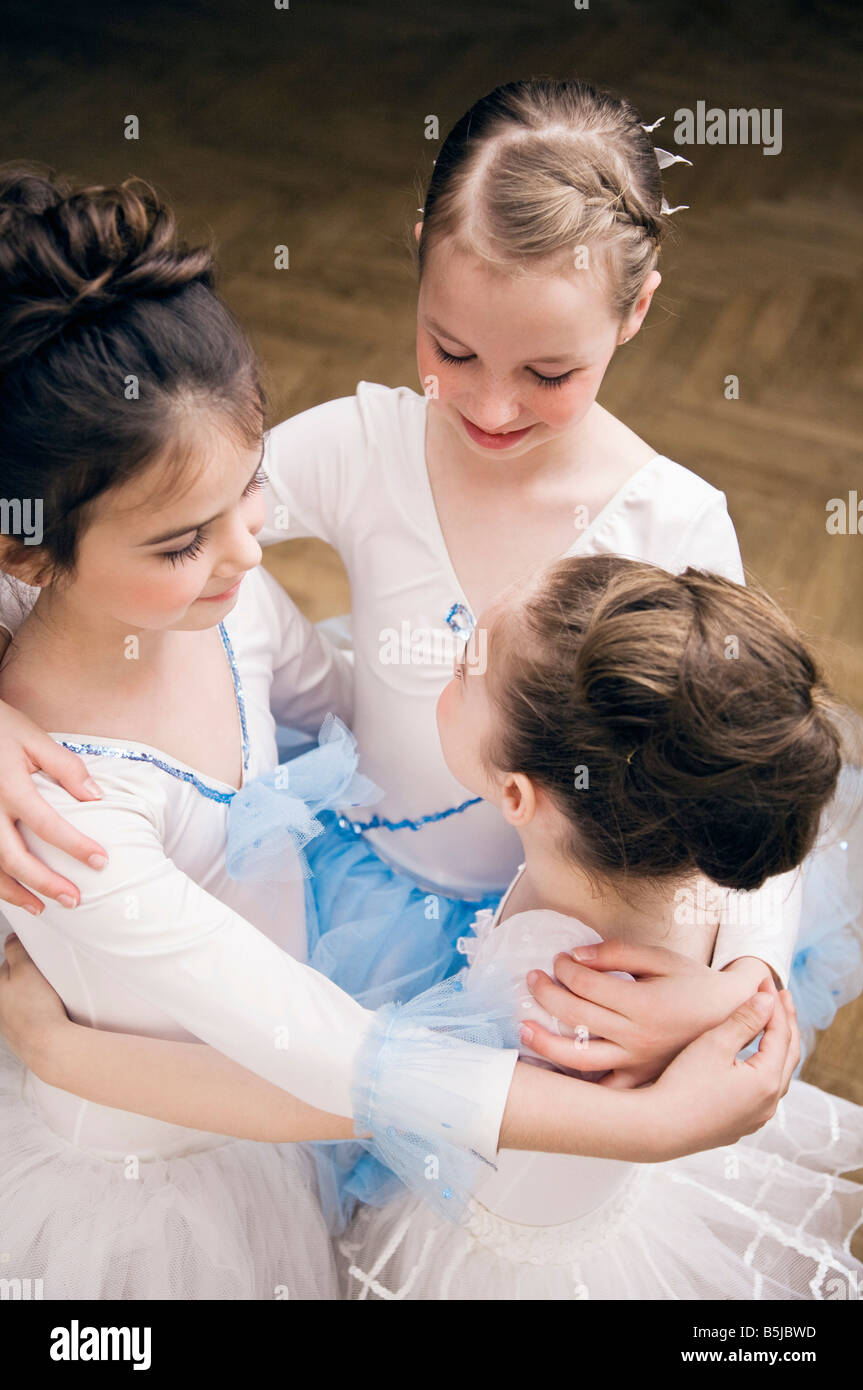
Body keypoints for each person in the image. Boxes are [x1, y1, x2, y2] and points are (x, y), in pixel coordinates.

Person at [0, 165, 794, 1301]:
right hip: (170, 1150)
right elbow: (322, 1050)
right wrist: (647, 1126)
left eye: (250, 493)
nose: (242, 553)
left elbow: (330, 701)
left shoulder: (228, 605)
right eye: (181, 541)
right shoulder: (63, 822)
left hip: (293, 1060)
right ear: (26, 550)